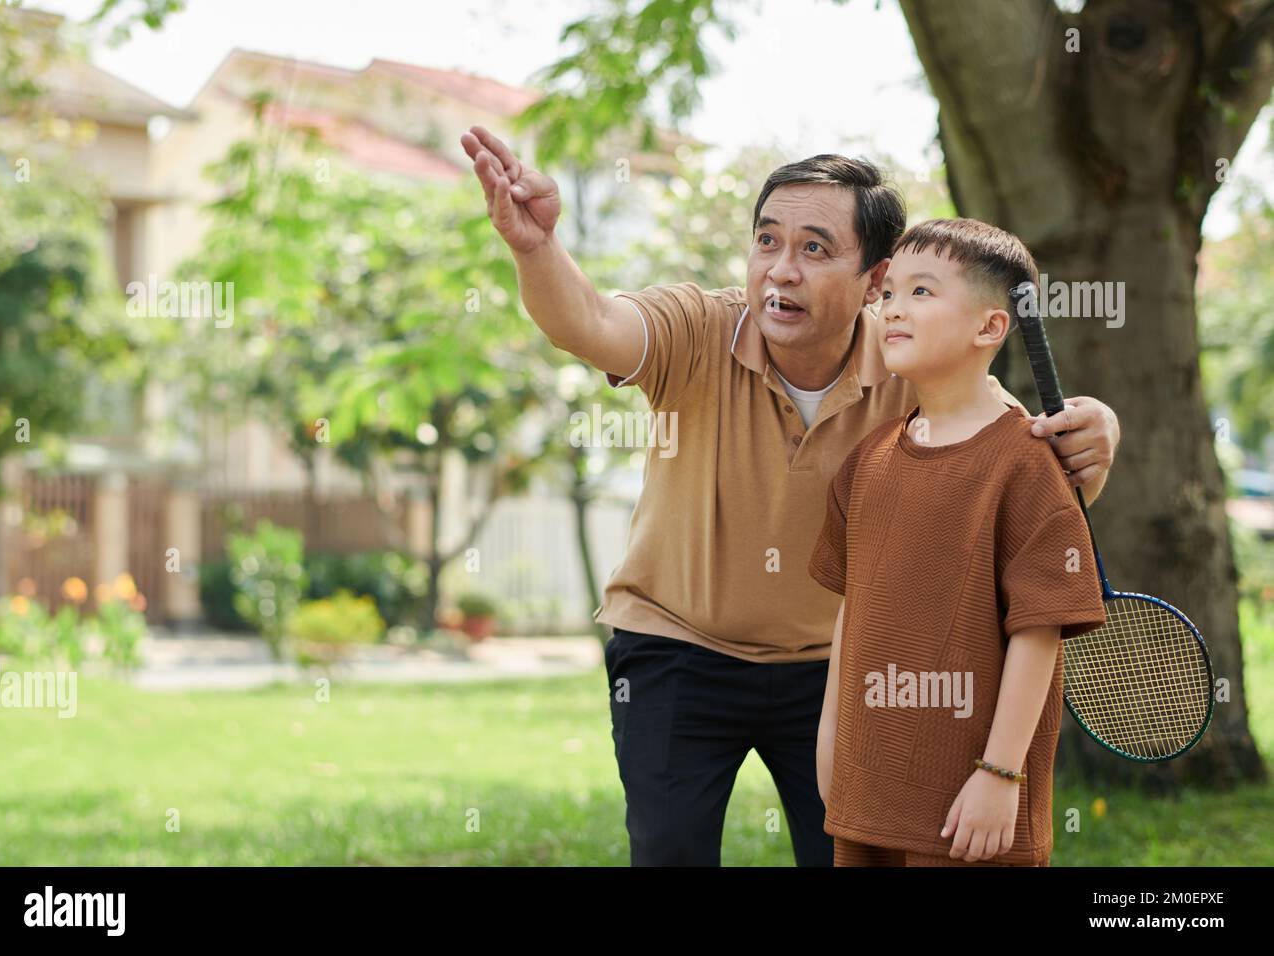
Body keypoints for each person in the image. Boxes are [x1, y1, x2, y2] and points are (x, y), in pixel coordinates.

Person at [460, 125, 1122, 866]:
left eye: (814, 249)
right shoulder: (698, 328)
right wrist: (535, 248)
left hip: (832, 669)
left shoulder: (915, 368)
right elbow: (587, 323)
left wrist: (1100, 432)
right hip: (678, 644)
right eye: (767, 242)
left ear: (876, 280)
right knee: (668, 851)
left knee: (846, 852)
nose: (781, 270)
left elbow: (1019, 462)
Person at [809, 218, 1108, 867]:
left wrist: (1000, 775)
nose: (893, 309)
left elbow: (1039, 631)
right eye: (889, 293)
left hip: (971, 807)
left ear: (989, 328)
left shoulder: (1025, 465)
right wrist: (831, 735)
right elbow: (851, 611)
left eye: (923, 292)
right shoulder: (867, 461)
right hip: (868, 788)